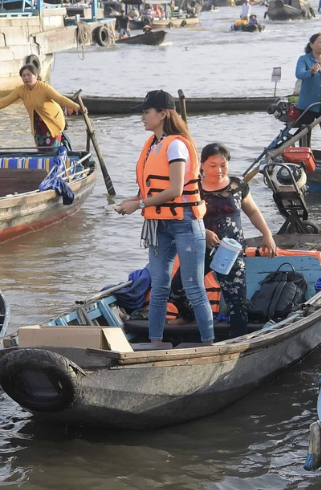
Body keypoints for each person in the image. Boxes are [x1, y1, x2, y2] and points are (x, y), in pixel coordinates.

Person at [113, 89, 214, 347]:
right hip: (159, 225)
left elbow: (175, 190)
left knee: (193, 287)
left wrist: (139, 205)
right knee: (158, 286)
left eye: (147, 112)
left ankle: (207, 343)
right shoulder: (151, 146)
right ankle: (155, 343)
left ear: (163, 114)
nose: (143, 117)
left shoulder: (176, 145)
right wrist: (132, 201)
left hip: (185, 222)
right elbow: (150, 187)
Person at [170, 142, 279, 336]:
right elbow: (182, 217)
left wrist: (267, 234)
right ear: (201, 164)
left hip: (231, 251)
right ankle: (189, 315)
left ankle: (237, 341)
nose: (218, 170)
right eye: (212, 165)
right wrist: (204, 233)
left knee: (236, 301)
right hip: (199, 248)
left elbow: (252, 211)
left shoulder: (237, 185)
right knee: (177, 289)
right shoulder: (191, 187)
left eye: (223, 165)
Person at [0, 63, 79, 149]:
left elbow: (60, 99)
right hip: (38, 126)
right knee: (41, 151)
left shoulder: (44, 88)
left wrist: (75, 106)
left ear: (36, 75)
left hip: (52, 123)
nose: (26, 78)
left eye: (29, 75)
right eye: (23, 75)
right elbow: (4, 101)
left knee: (52, 151)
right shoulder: (21, 90)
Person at [293, 32, 321, 128]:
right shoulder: (304, 59)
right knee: (304, 133)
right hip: (307, 105)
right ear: (311, 45)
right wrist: (311, 72)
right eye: (320, 42)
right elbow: (299, 74)